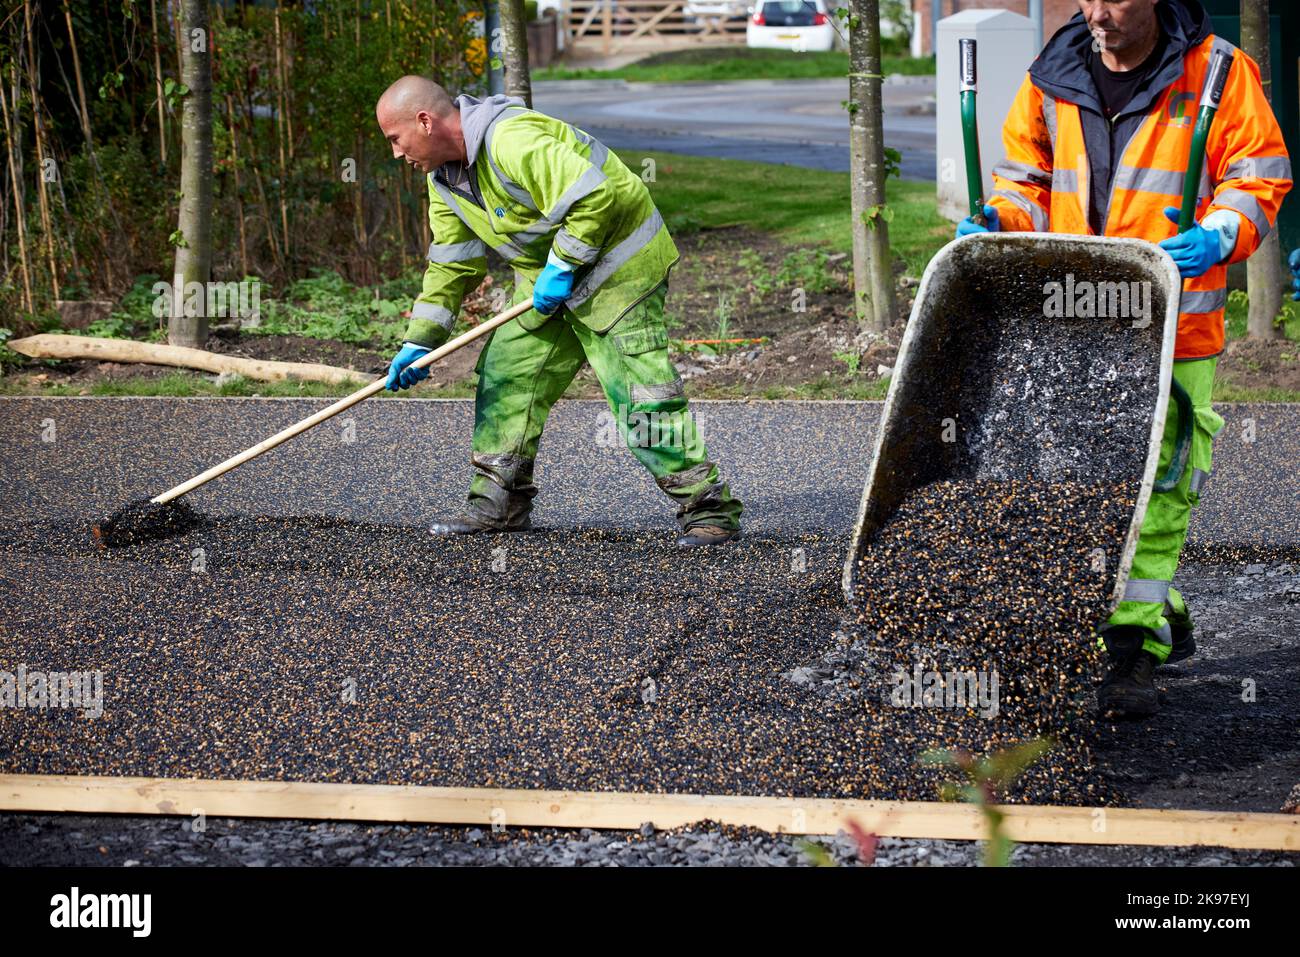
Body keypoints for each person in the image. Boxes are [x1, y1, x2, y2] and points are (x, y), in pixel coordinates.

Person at [956, 0, 1292, 716]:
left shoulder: (1218, 74)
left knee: (1165, 482)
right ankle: (1154, 604)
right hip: (1079, 319)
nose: (1097, 14)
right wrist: (999, 220)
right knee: (1090, 478)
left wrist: (1218, 233)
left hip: (1177, 323)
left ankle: (1133, 644)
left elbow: (1258, 176)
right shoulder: (1054, 75)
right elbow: (1027, 185)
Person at [375, 76, 743, 546]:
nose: (396, 153)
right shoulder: (444, 181)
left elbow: (595, 197)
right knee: (508, 372)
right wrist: (419, 341)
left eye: (395, 138)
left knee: (638, 391)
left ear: (424, 121)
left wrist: (563, 264)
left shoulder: (511, 139)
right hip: (548, 281)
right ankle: (498, 503)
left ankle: (709, 509)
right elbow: (452, 264)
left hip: (619, 267)